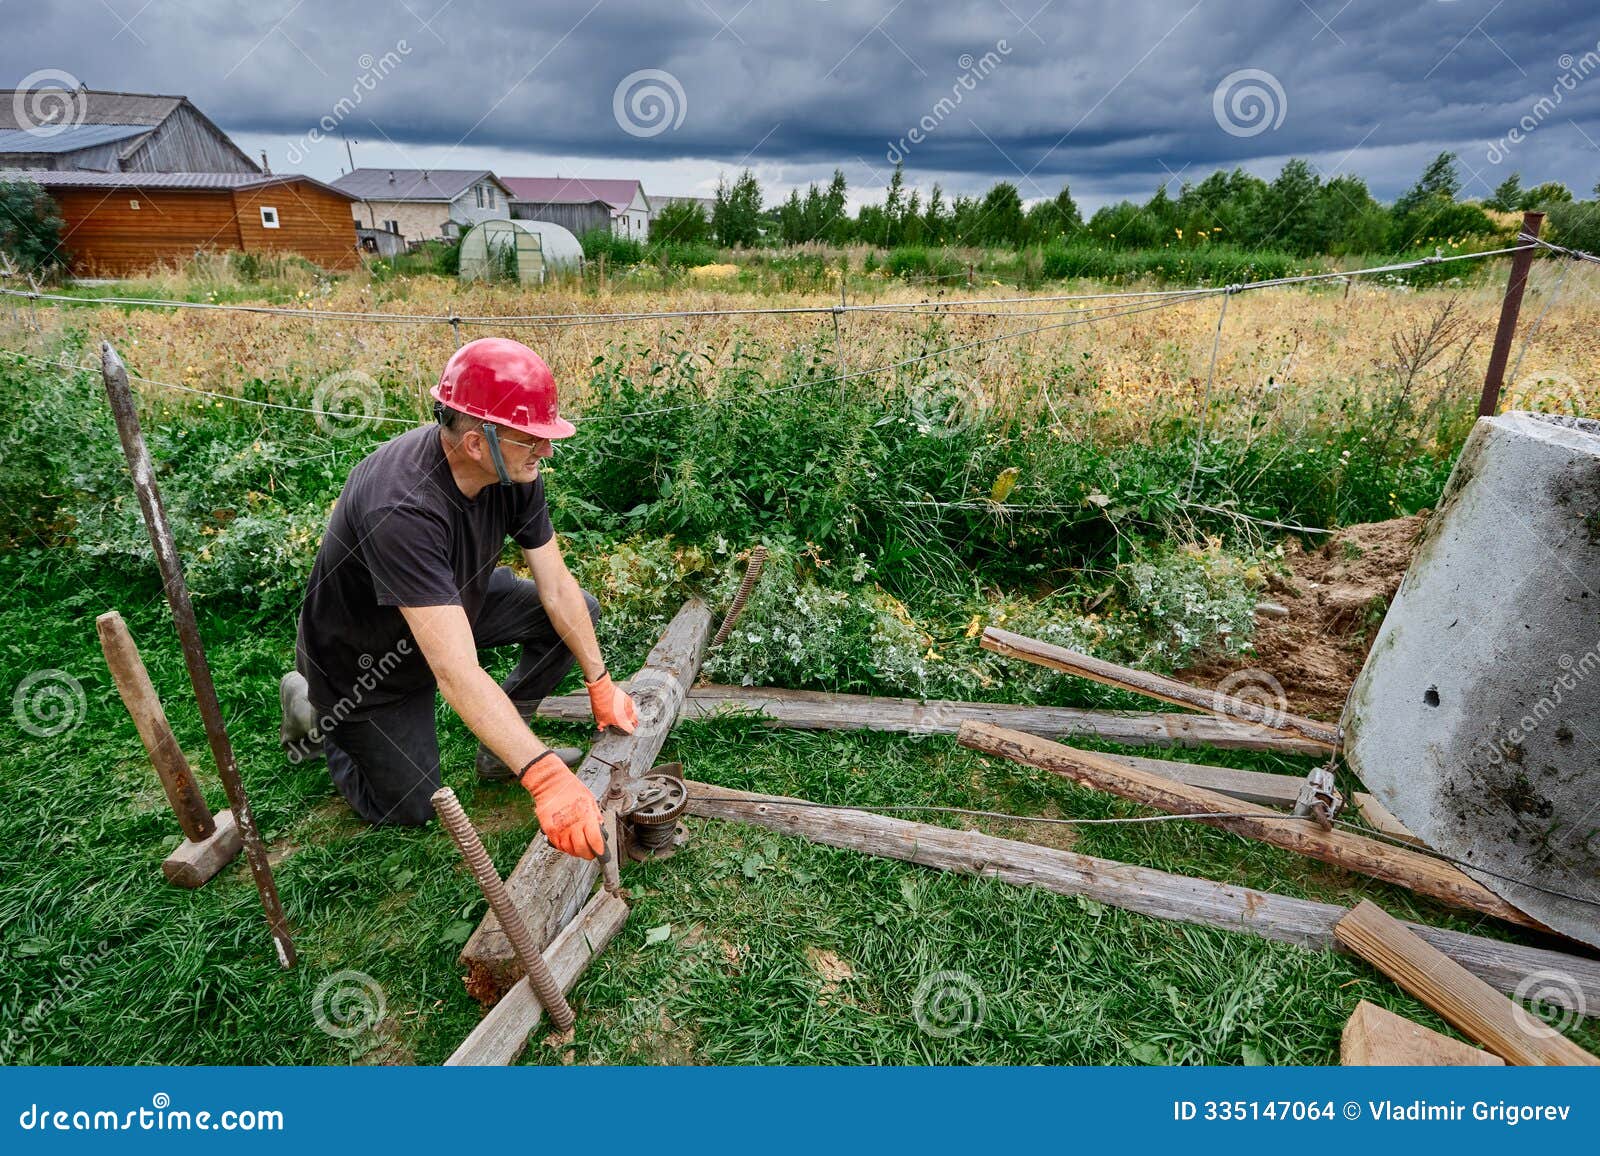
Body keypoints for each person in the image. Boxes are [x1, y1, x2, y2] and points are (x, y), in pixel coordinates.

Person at [279, 337, 636, 859]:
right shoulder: (399, 505)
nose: (548, 450)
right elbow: (457, 672)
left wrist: (599, 681)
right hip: (365, 658)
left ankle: (502, 750)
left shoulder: (513, 467)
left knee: (577, 614)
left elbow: (556, 587)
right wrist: (544, 777)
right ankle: (313, 707)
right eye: (533, 438)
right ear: (477, 442)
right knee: (411, 805)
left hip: (451, 604)